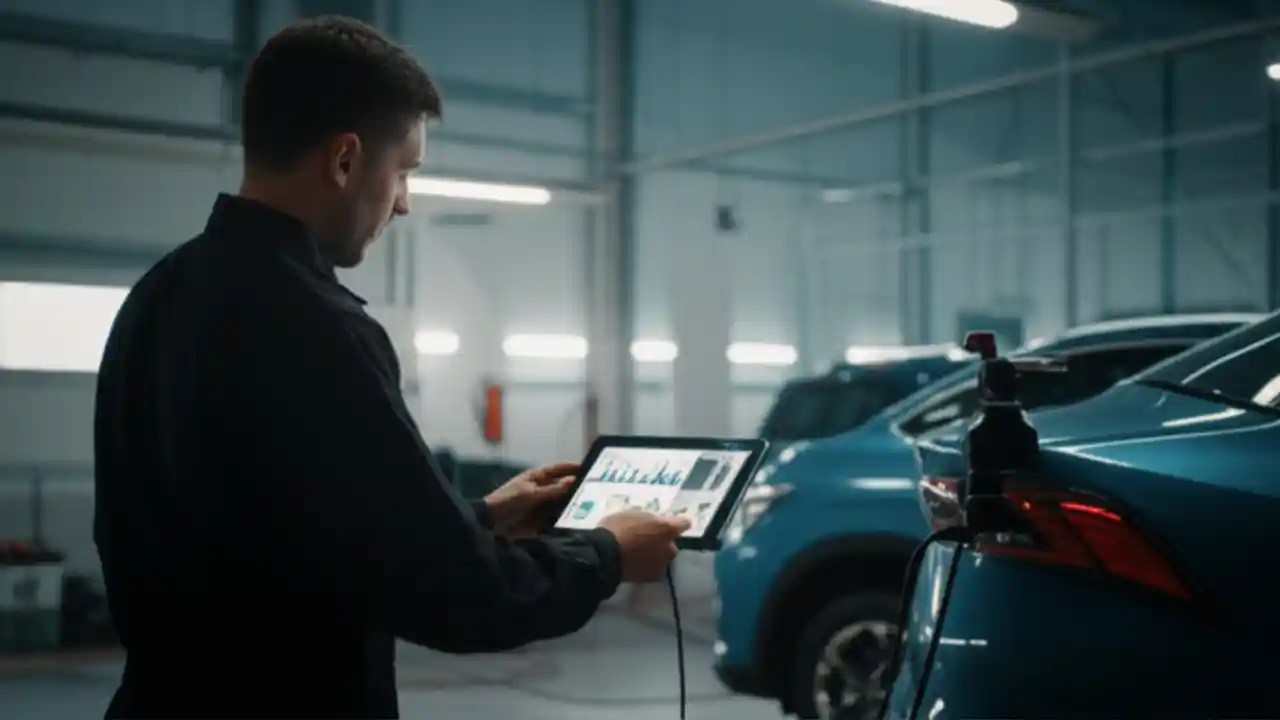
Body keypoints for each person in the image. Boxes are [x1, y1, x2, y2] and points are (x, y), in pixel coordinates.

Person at [93, 15, 690, 719]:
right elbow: (458, 599)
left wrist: (482, 517)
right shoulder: (319, 326)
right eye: (403, 170)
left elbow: (293, 533)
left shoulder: (158, 294)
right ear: (345, 160)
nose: (403, 202)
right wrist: (611, 554)